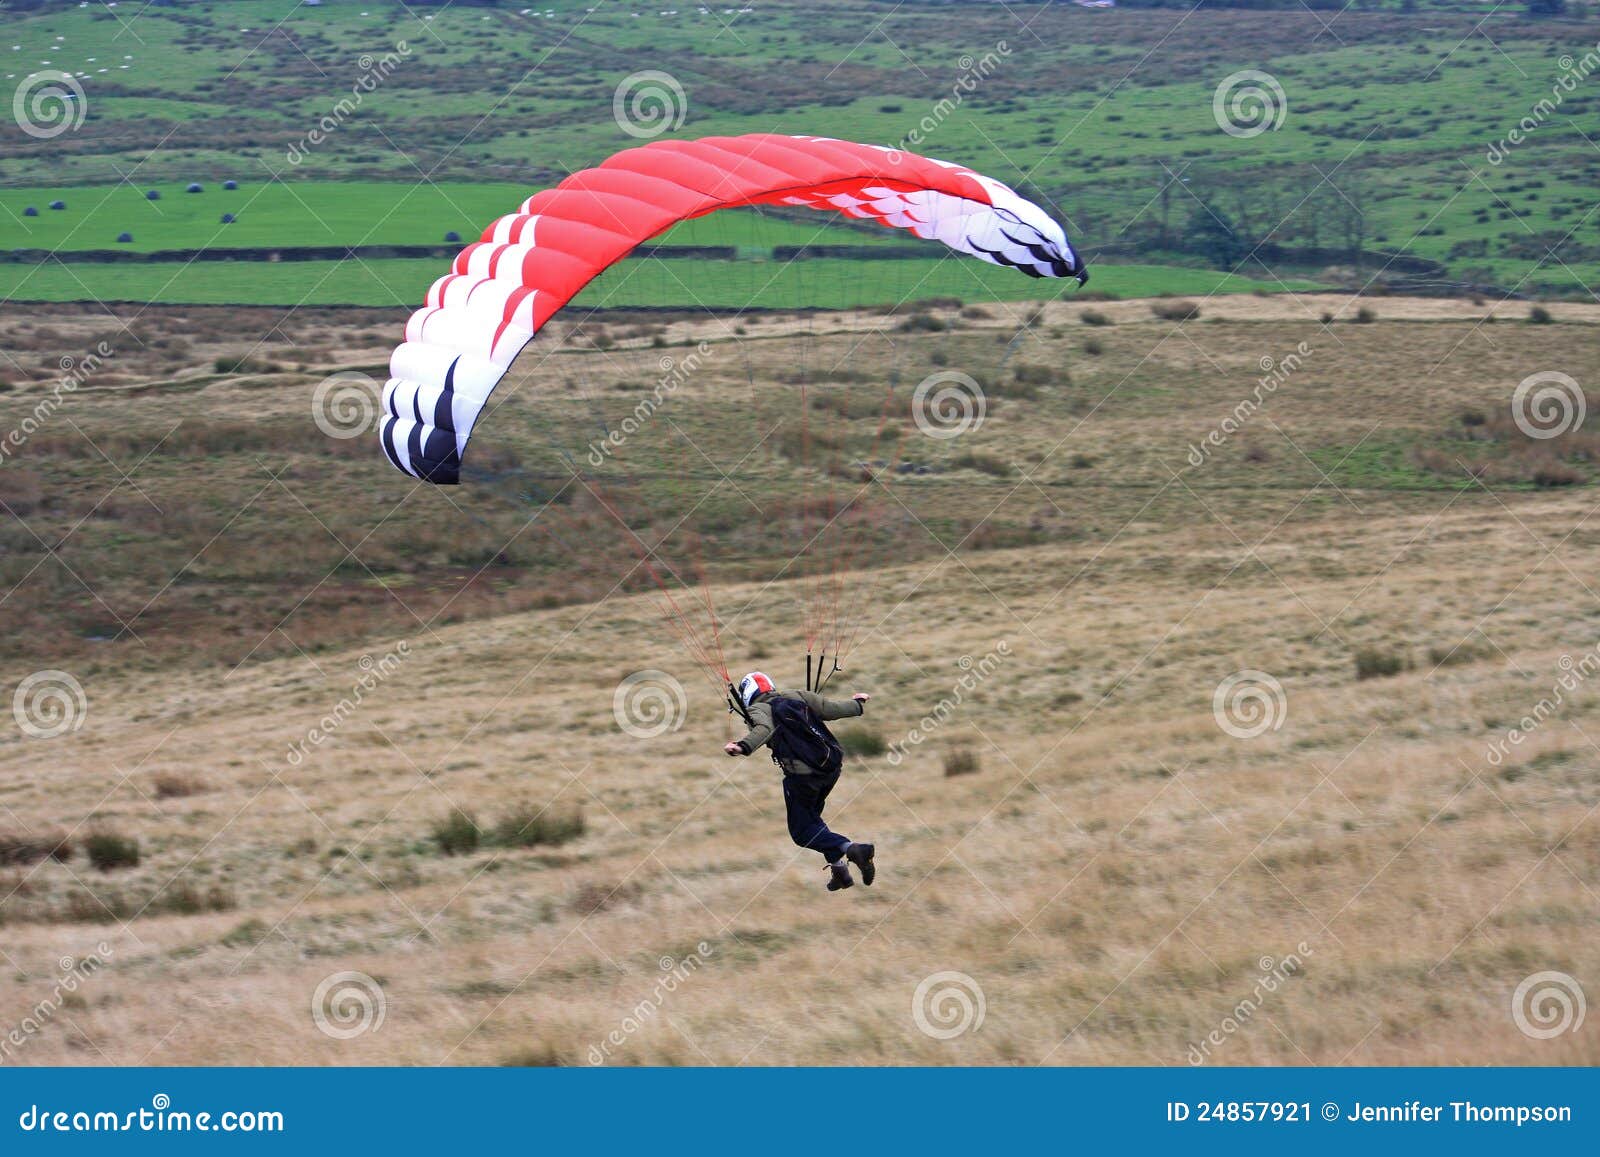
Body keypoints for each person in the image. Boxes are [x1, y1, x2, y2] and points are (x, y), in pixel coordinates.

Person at [723, 671, 877, 892]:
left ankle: (853, 849)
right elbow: (830, 709)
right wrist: (857, 704)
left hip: (803, 777)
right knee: (812, 821)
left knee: (802, 832)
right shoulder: (797, 695)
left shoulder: (758, 709)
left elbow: (764, 729)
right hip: (831, 768)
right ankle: (840, 870)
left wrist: (742, 746)